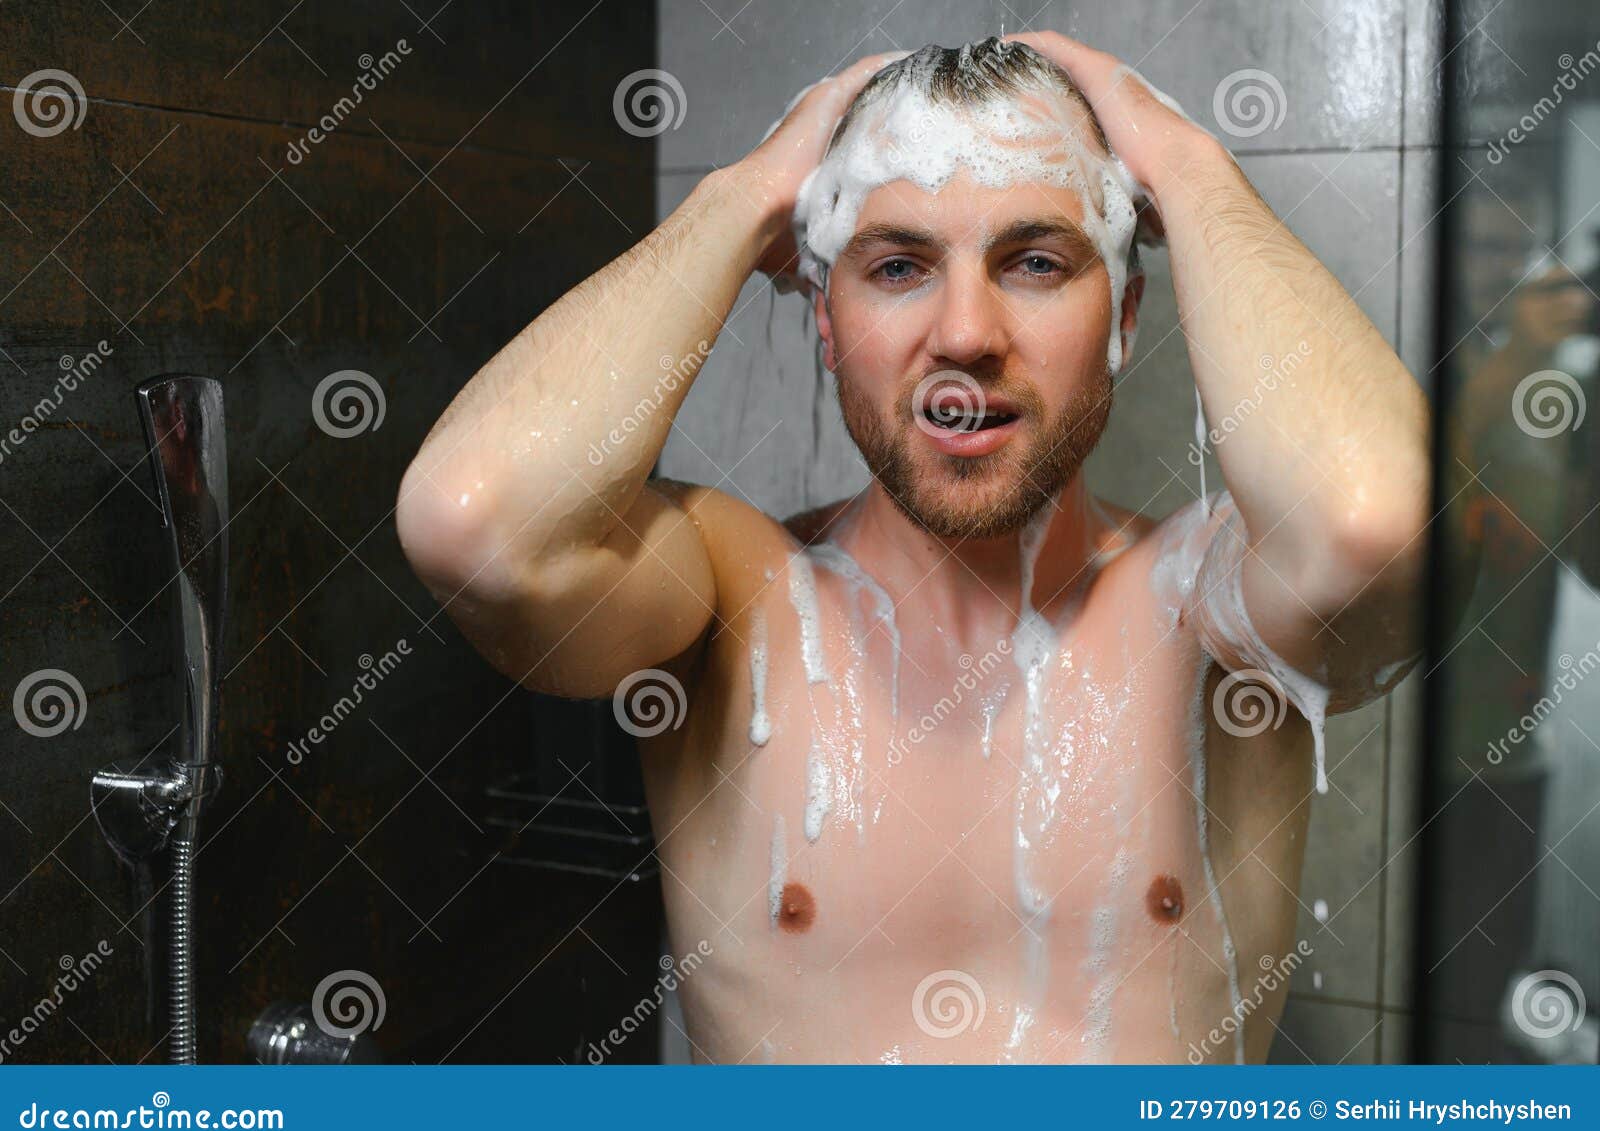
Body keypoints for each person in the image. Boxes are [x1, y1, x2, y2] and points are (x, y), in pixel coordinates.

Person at [396, 34, 1429, 1063]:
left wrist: (1190, 169)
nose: (966, 332)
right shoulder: (733, 596)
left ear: (1121, 316)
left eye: (1034, 262)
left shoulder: (1214, 612)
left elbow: (1369, 522)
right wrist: (747, 195)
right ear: (828, 325)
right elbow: (479, 529)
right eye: (897, 266)